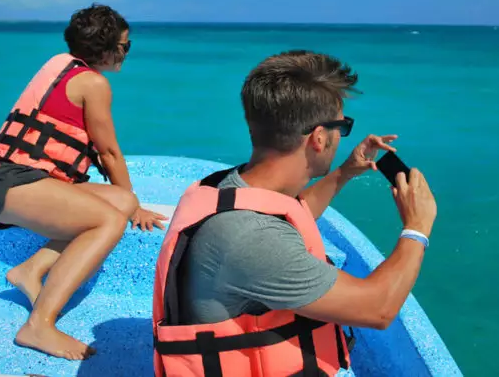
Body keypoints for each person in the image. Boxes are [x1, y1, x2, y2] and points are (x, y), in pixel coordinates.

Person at [151, 50, 438, 376]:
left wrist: (345, 171)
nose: (341, 136)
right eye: (341, 127)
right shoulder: (252, 238)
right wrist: (417, 226)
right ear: (318, 138)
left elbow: (291, 212)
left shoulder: (228, 187)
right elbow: (379, 308)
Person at [0, 3, 167, 361]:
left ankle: (29, 270)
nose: (127, 52)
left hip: (24, 179)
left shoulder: (59, 65)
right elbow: (108, 152)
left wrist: (132, 202)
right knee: (109, 220)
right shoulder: (94, 83)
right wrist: (135, 203)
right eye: (125, 46)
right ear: (109, 48)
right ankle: (39, 325)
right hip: (12, 183)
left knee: (121, 204)